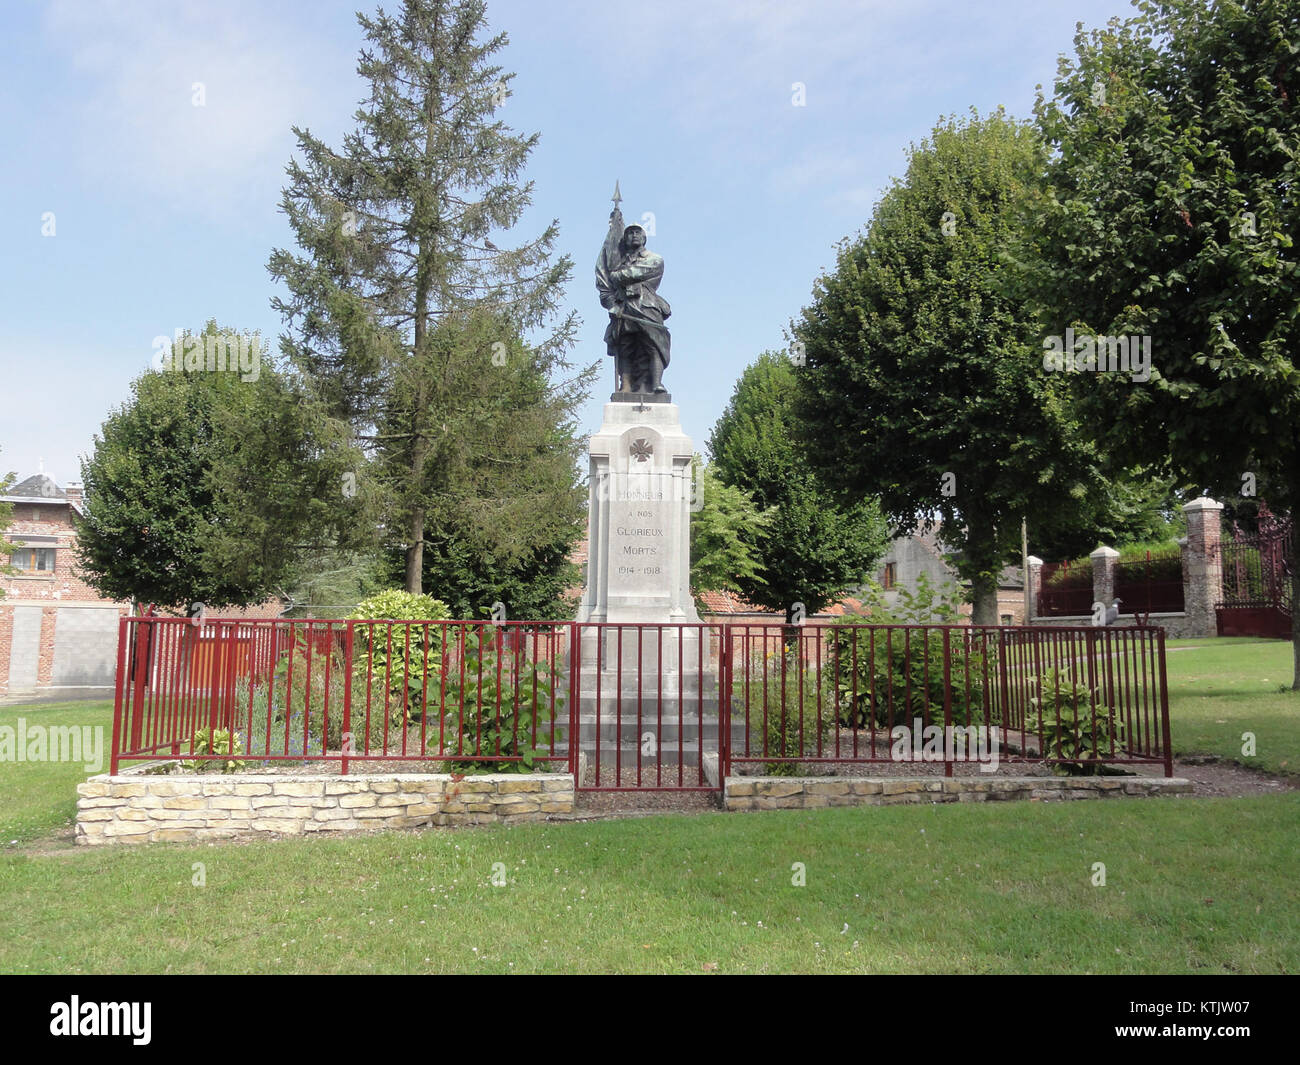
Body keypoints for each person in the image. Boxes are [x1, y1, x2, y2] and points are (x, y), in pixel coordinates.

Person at [598, 222, 671, 394]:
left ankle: (655, 384)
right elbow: (605, 287)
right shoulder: (618, 261)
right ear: (624, 239)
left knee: (654, 345)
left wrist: (616, 275)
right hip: (624, 307)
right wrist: (612, 305)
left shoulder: (654, 259)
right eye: (630, 233)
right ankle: (626, 385)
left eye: (638, 232)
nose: (634, 235)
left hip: (647, 306)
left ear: (644, 238)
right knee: (625, 347)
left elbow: (632, 273)